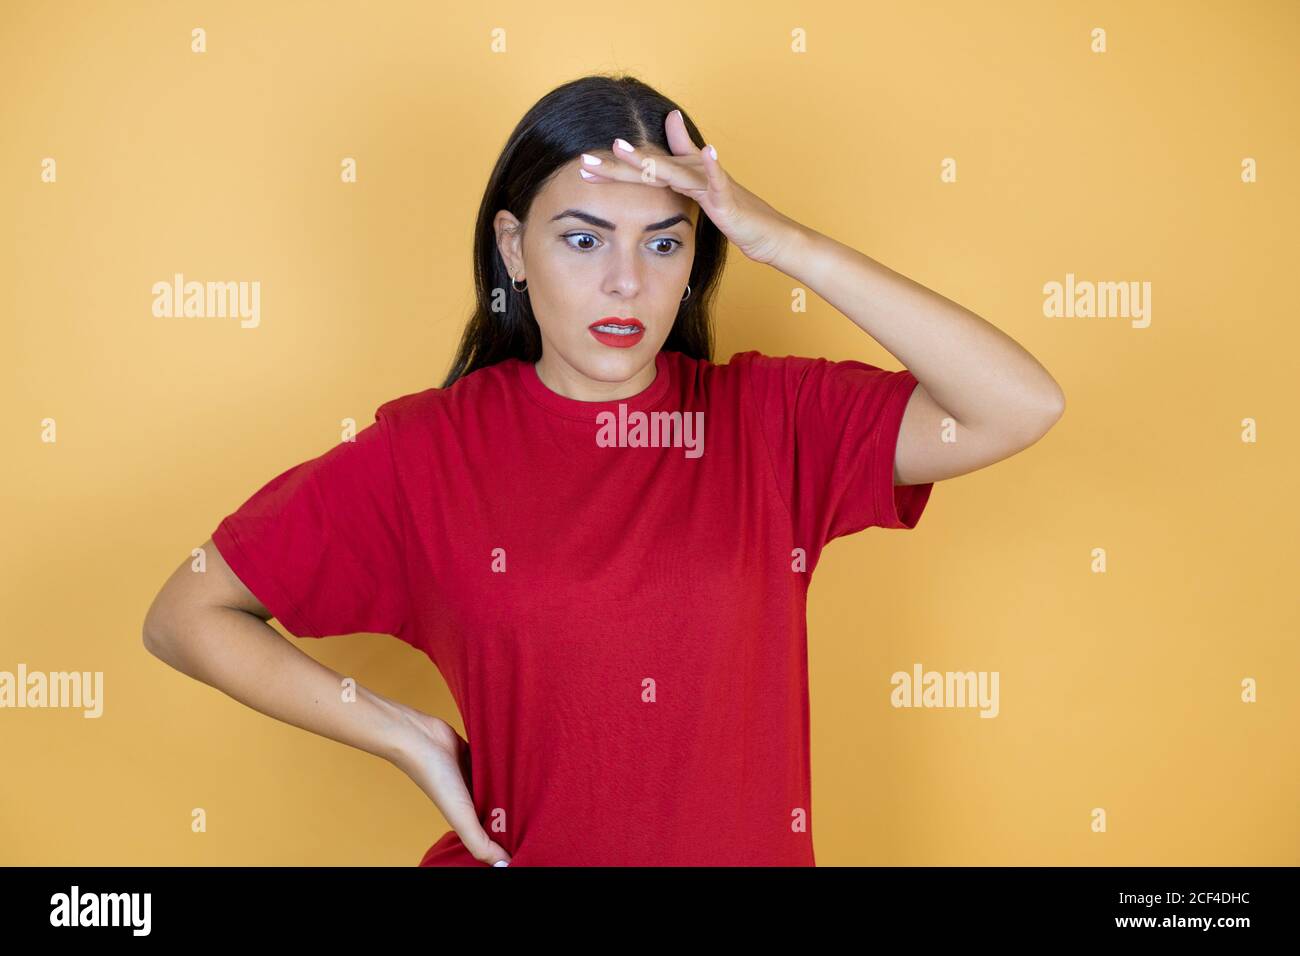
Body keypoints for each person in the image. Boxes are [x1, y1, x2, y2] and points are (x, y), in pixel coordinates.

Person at [142, 73, 1065, 867]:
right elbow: (187, 614)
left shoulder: (773, 422)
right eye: (583, 240)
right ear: (514, 249)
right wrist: (402, 732)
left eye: (665, 243)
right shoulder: (426, 455)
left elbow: (1019, 404)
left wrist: (779, 239)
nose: (627, 281)